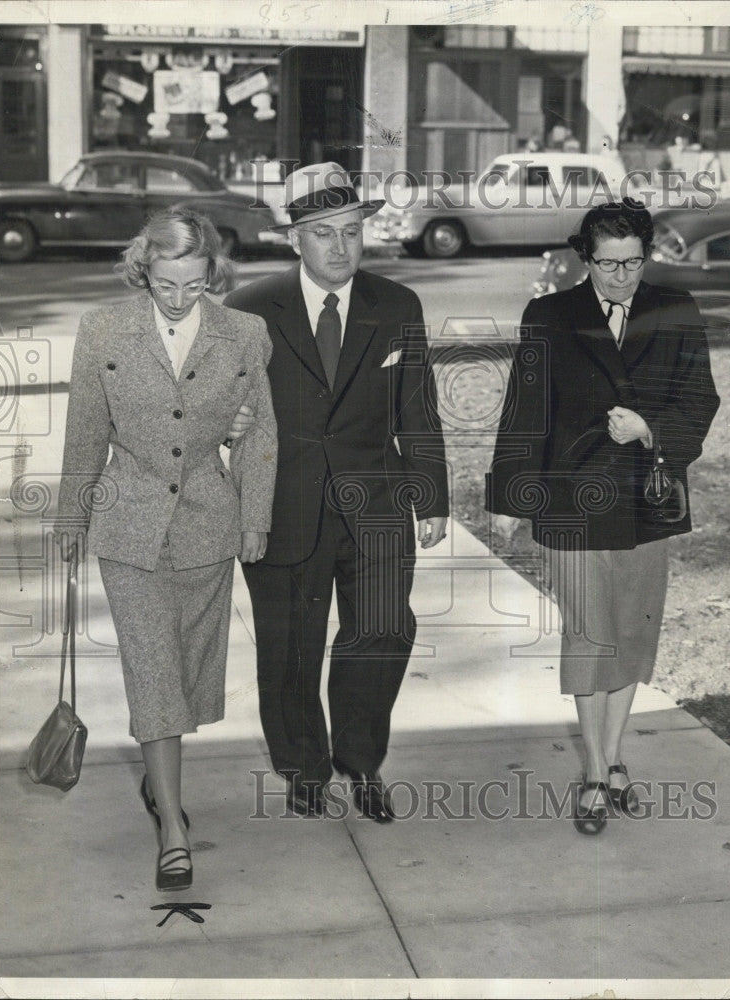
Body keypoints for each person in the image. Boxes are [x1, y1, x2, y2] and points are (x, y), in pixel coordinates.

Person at [54, 206, 277, 888]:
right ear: (142, 268)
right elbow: (86, 432)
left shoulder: (244, 333)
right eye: (164, 282)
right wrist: (69, 521)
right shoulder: (103, 331)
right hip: (129, 528)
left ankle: (160, 783)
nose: (178, 299)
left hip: (209, 525)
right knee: (152, 676)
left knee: (186, 677)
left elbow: (261, 432)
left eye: (194, 285)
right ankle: (173, 827)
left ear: (213, 274)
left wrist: (254, 519)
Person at [223, 162, 449, 821]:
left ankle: (360, 761)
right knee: (289, 644)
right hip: (280, 505)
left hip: (376, 505)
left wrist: (432, 500)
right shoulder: (247, 310)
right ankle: (302, 767)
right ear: (293, 238)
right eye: (322, 233)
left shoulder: (396, 305)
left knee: (380, 633)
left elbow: (419, 411)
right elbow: (208, 408)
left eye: (351, 231)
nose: (340, 247)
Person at [486, 199, 719, 835]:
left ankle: (613, 760)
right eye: (608, 264)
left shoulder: (675, 309)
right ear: (583, 259)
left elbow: (701, 398)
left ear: (648, 255)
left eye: (633, 262)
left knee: (632, 635)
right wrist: (511, 499)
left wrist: (653, 429)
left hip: (648, 499)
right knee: (590, 638)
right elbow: (524, 410)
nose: (622, 277)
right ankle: (596, 773)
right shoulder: (550, 314)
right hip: (571, 502)